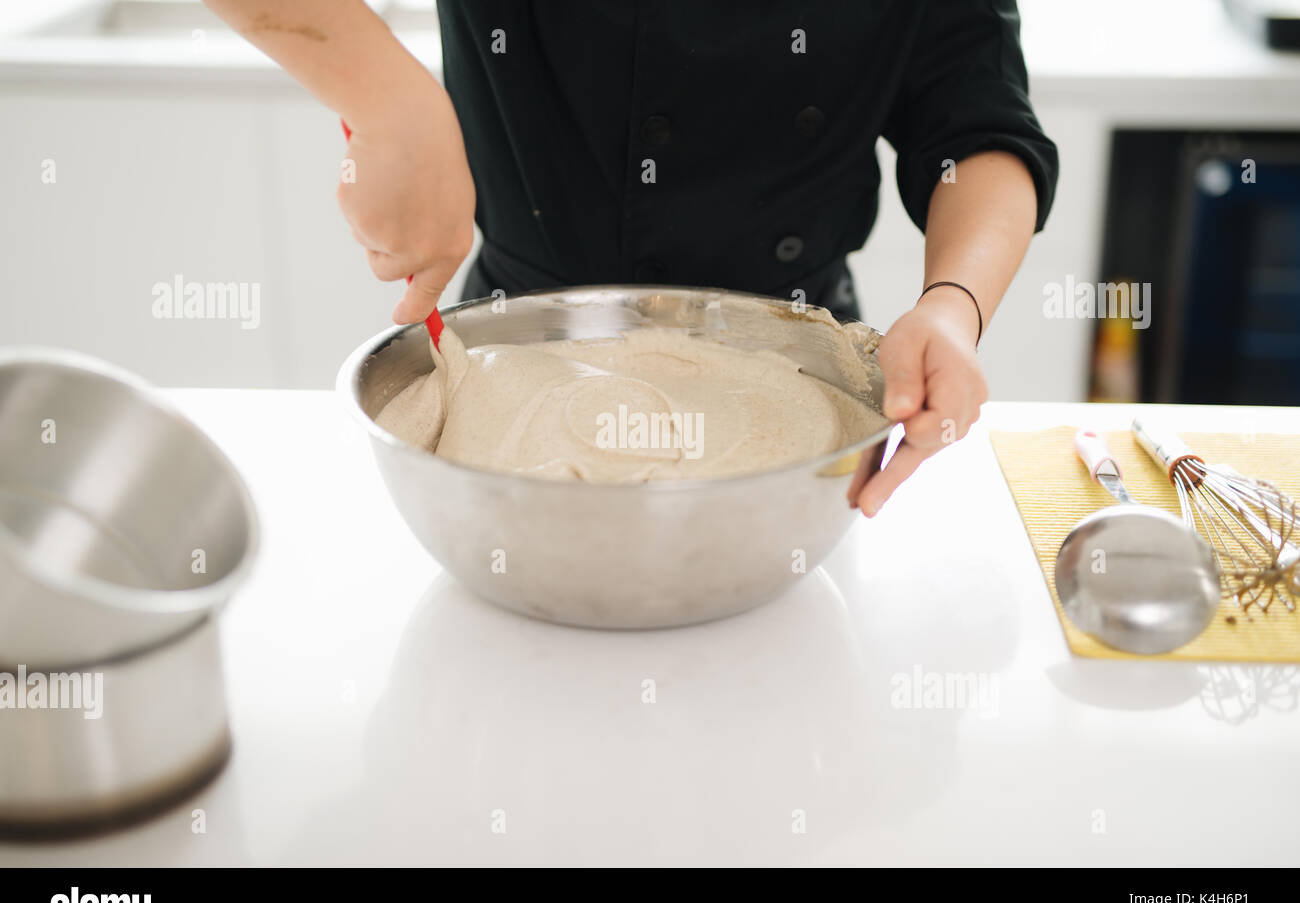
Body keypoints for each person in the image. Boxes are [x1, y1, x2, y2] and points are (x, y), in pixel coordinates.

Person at [204, 0, 1058, 516]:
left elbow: (977, 123)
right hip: (511, 350)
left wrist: (953, 304)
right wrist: (390, 103)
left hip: (807, 379)